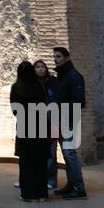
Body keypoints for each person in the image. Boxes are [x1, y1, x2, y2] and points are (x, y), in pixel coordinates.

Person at [10, 60, 50, 201]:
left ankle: (28, 194)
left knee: (26, 163)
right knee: (40, 162)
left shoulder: (16, 87)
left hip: (25, 128)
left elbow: (15, 110)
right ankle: (42, 195)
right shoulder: (39, 86)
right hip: (40, 127)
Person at [51, 46, 88, 199]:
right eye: (54, 56)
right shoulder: (61, 75)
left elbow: (79, 101)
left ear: (66, 57)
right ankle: (70, 185)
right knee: (66, 155)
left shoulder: (73, 76)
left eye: (58, 56)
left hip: (68, 120)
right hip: (60, 119)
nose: (55, 59)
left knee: (70, 154)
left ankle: (79, 189)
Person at [34, 59, 59, 190]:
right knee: (38, 153)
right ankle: (38, 179)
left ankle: (51, 180)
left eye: (42, 67)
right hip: (37, 123)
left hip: (52, 121)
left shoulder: (53, 82)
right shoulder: (32, 84)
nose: (40, 69)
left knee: (51, 153)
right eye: (38, 67)